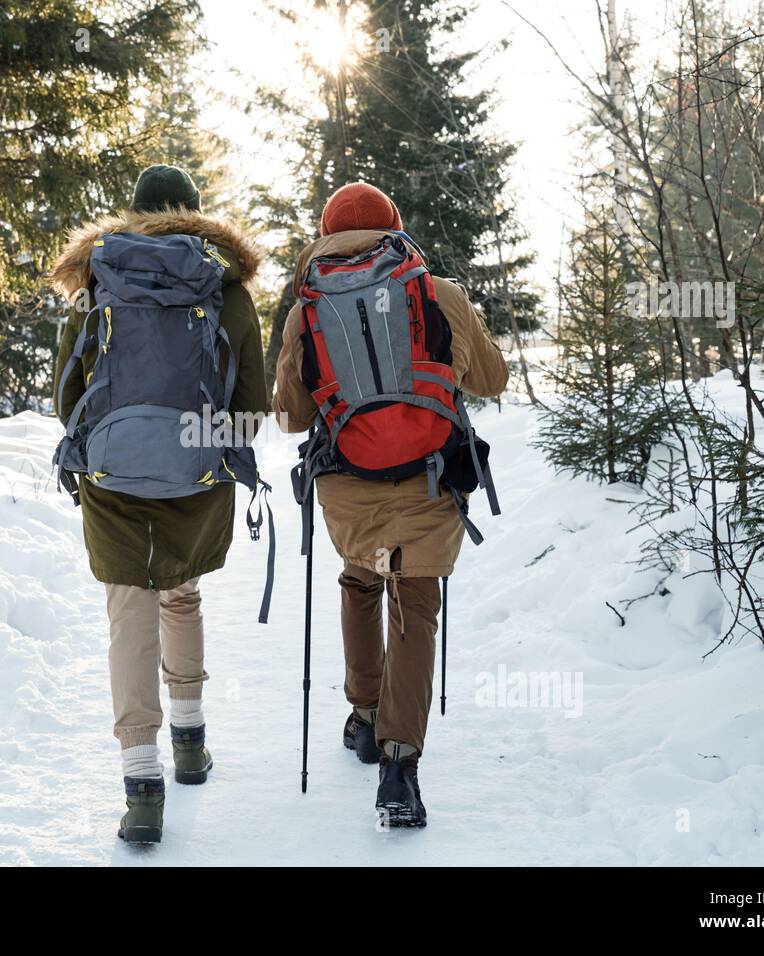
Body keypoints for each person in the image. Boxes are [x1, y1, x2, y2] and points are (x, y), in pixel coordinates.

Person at [272, 182, 508, 827]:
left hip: (348, 487)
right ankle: (399, 770)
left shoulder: (307, 309)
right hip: (429, 477)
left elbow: (291, 416)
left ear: (327, 234)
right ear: (395, 229)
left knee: (363, 576)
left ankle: (366, 715)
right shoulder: (439, 293)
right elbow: (491, 378)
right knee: (416, 604)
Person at [50, 165, 268, 844]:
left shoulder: (98, 277)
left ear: (133, 212)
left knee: (128, 612)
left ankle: (141, 787)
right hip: (194, 473)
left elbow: (66, 392)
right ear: (195, 214)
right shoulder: (224, 285)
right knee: (180, 596)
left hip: (114, 476)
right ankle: (190, 744)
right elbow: (252, 409)